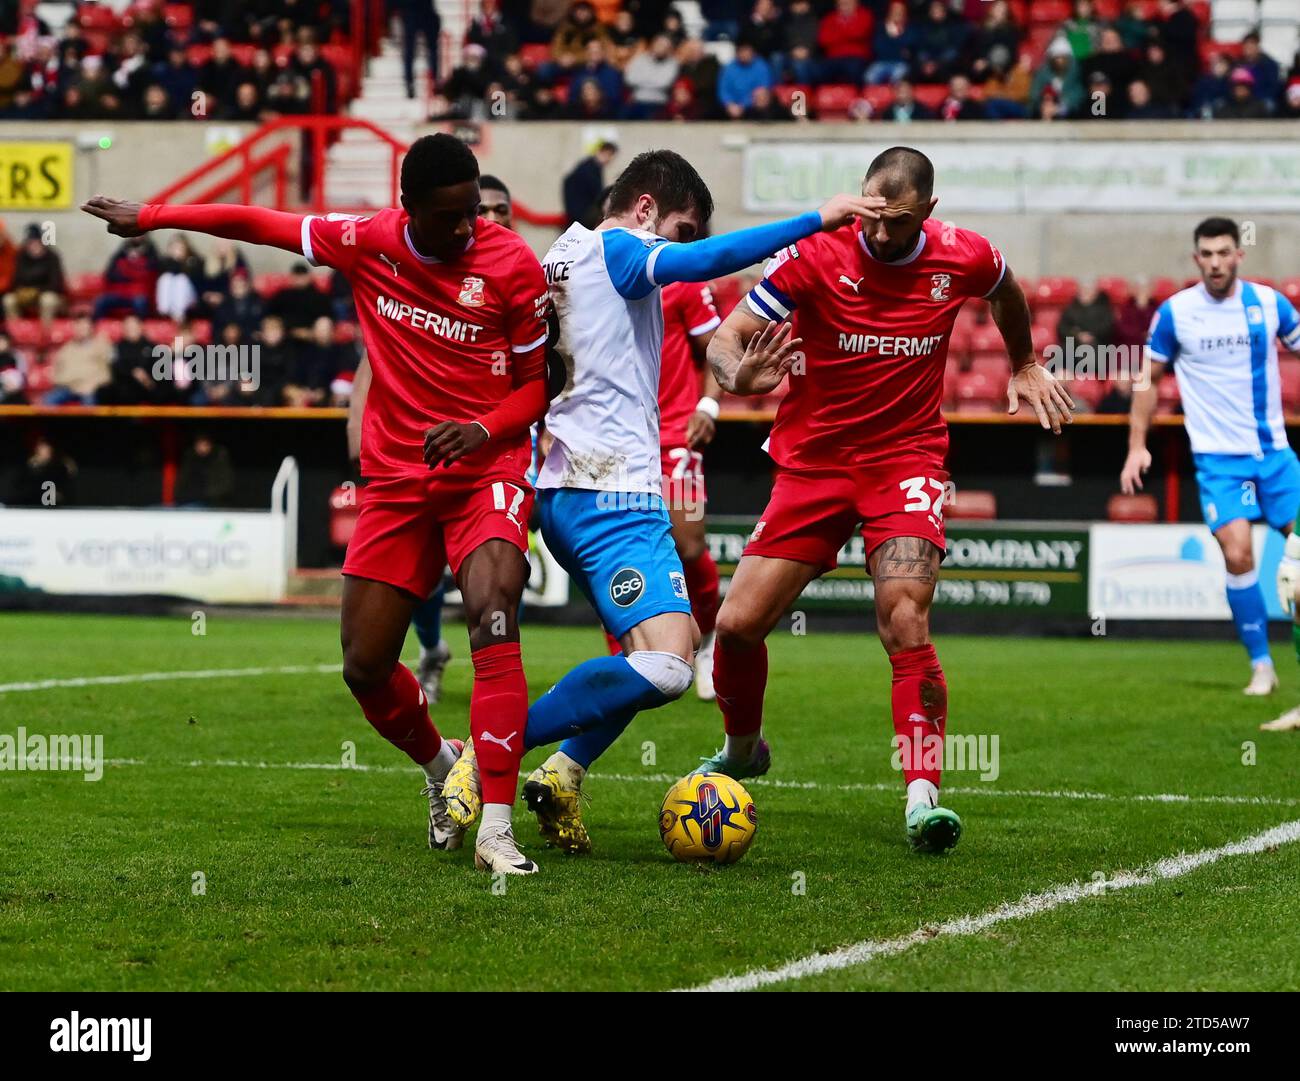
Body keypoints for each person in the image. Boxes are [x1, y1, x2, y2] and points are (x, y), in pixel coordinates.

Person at [83, 133, 553, 876]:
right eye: (450, 216)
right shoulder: (367, 241)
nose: (468, 227)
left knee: (494, 611)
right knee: (364, 665)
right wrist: (155, 217)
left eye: (473, 211)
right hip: (398, 479)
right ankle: (443, 768)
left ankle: (497, 829)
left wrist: (482, 429)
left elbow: (535, 387)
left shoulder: (512, 265)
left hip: (485, 468)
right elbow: (260, 222)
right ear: (408, 208)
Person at [439, 150, 883, 854]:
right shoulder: (619, 247)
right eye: (680, 229)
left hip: (568, 486)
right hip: (612, 494)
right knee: (671, 664)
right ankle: (491, 749)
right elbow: (702, 262)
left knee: (638, 660)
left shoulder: (562, 253)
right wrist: (813, 220)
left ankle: (563, 772)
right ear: (645, 208)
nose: (680, 246)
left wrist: (727, 380)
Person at [696, 146, 1072, 853]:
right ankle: (743, 749)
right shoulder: (815, 254)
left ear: (928, 211)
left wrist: (1024, 361)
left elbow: (1007, 292)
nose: (878, 232)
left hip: (906, 462)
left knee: (905, 618)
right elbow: (728, 337)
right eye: (871, 214)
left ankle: (922, 795)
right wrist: (735, 376)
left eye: (897, 221)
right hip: (813, 464)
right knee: (738, 626)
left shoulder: (964, 254)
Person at [1122, 217, 1300, 701]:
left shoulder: (1270, 303)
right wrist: (1137, 445)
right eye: (1207, 254)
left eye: (1224, 253)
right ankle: (1262, 665)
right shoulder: (1177, 313)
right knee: (1238, 553)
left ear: (1239, 255)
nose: (1216, 263)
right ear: (1196, 258)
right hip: (1220, 461)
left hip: (1275, 454)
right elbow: (1147, 379)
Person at [562, 140, 617, 228]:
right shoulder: (589, 169)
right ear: (602, 152)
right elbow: (597, 195)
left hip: (577, 215)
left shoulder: (589, 167)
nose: (609, 160)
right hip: (581, 216)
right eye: (609, 155)